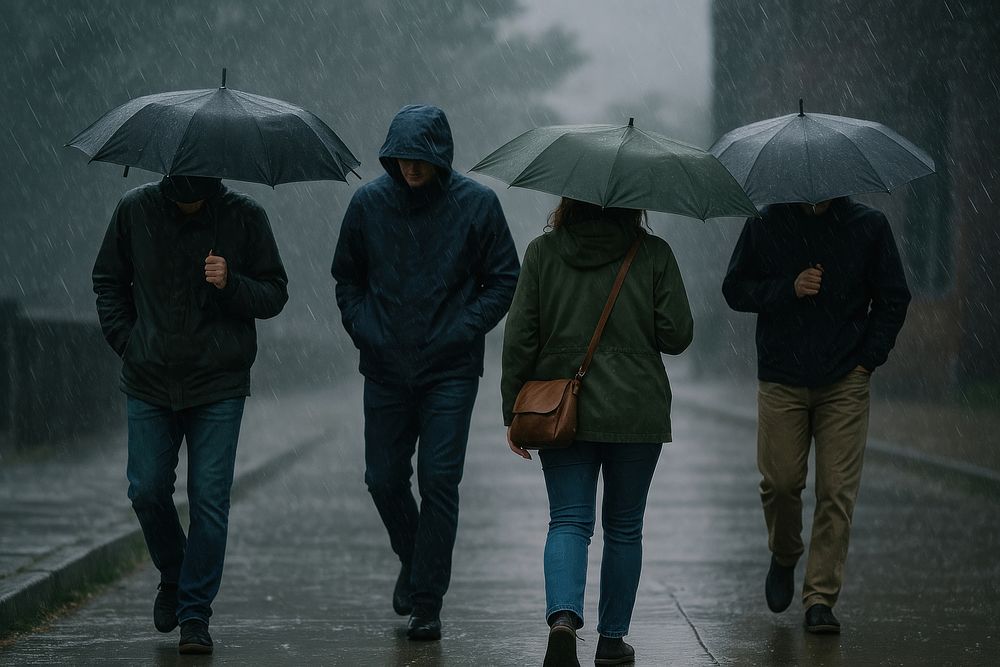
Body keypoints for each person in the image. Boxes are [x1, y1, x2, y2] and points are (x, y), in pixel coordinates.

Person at [331, 104, 519, 641]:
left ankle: (427, 600)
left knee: (440, 480)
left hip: (450, 371)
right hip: (385, 368)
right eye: (402, 158)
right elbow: (347, 279)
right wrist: (367, 330)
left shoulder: (477, 204)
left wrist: (463, 328)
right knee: (383, 479)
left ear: (440, 156)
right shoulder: (368, 204)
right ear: (391, 157)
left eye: (421, 159)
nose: (411, 169)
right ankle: (413, 562)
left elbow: (505, 277)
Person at [92, 174, 288, 655]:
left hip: (217, 382)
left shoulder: (244, 216)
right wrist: (129, 344)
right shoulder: (135, 209)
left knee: (209, 500)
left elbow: (275, 293)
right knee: (146, 489)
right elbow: (107, 280)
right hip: (149, 379)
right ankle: (175, 575)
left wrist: (231, 282)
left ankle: (195, 613)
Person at [501, 198, 693, 666]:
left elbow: (520, 336)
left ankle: (563, 620)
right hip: (636, 409)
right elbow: (677, 335)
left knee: (568, 519)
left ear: (568, 201)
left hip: (562, 409)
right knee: (624, 528)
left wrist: (514, 410)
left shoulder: (542, 254)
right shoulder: (653, 254)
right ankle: (611, 641)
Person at [722, 197, 911, 633]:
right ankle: (785, 553)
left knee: (837, 492)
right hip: (781, 376)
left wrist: (868, 359)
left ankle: (820, 599)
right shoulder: (765, 222)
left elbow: (894, 297)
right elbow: (734, 288)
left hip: (845, 379)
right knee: (781, 482)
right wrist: (787, 287)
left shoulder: (870, 226)